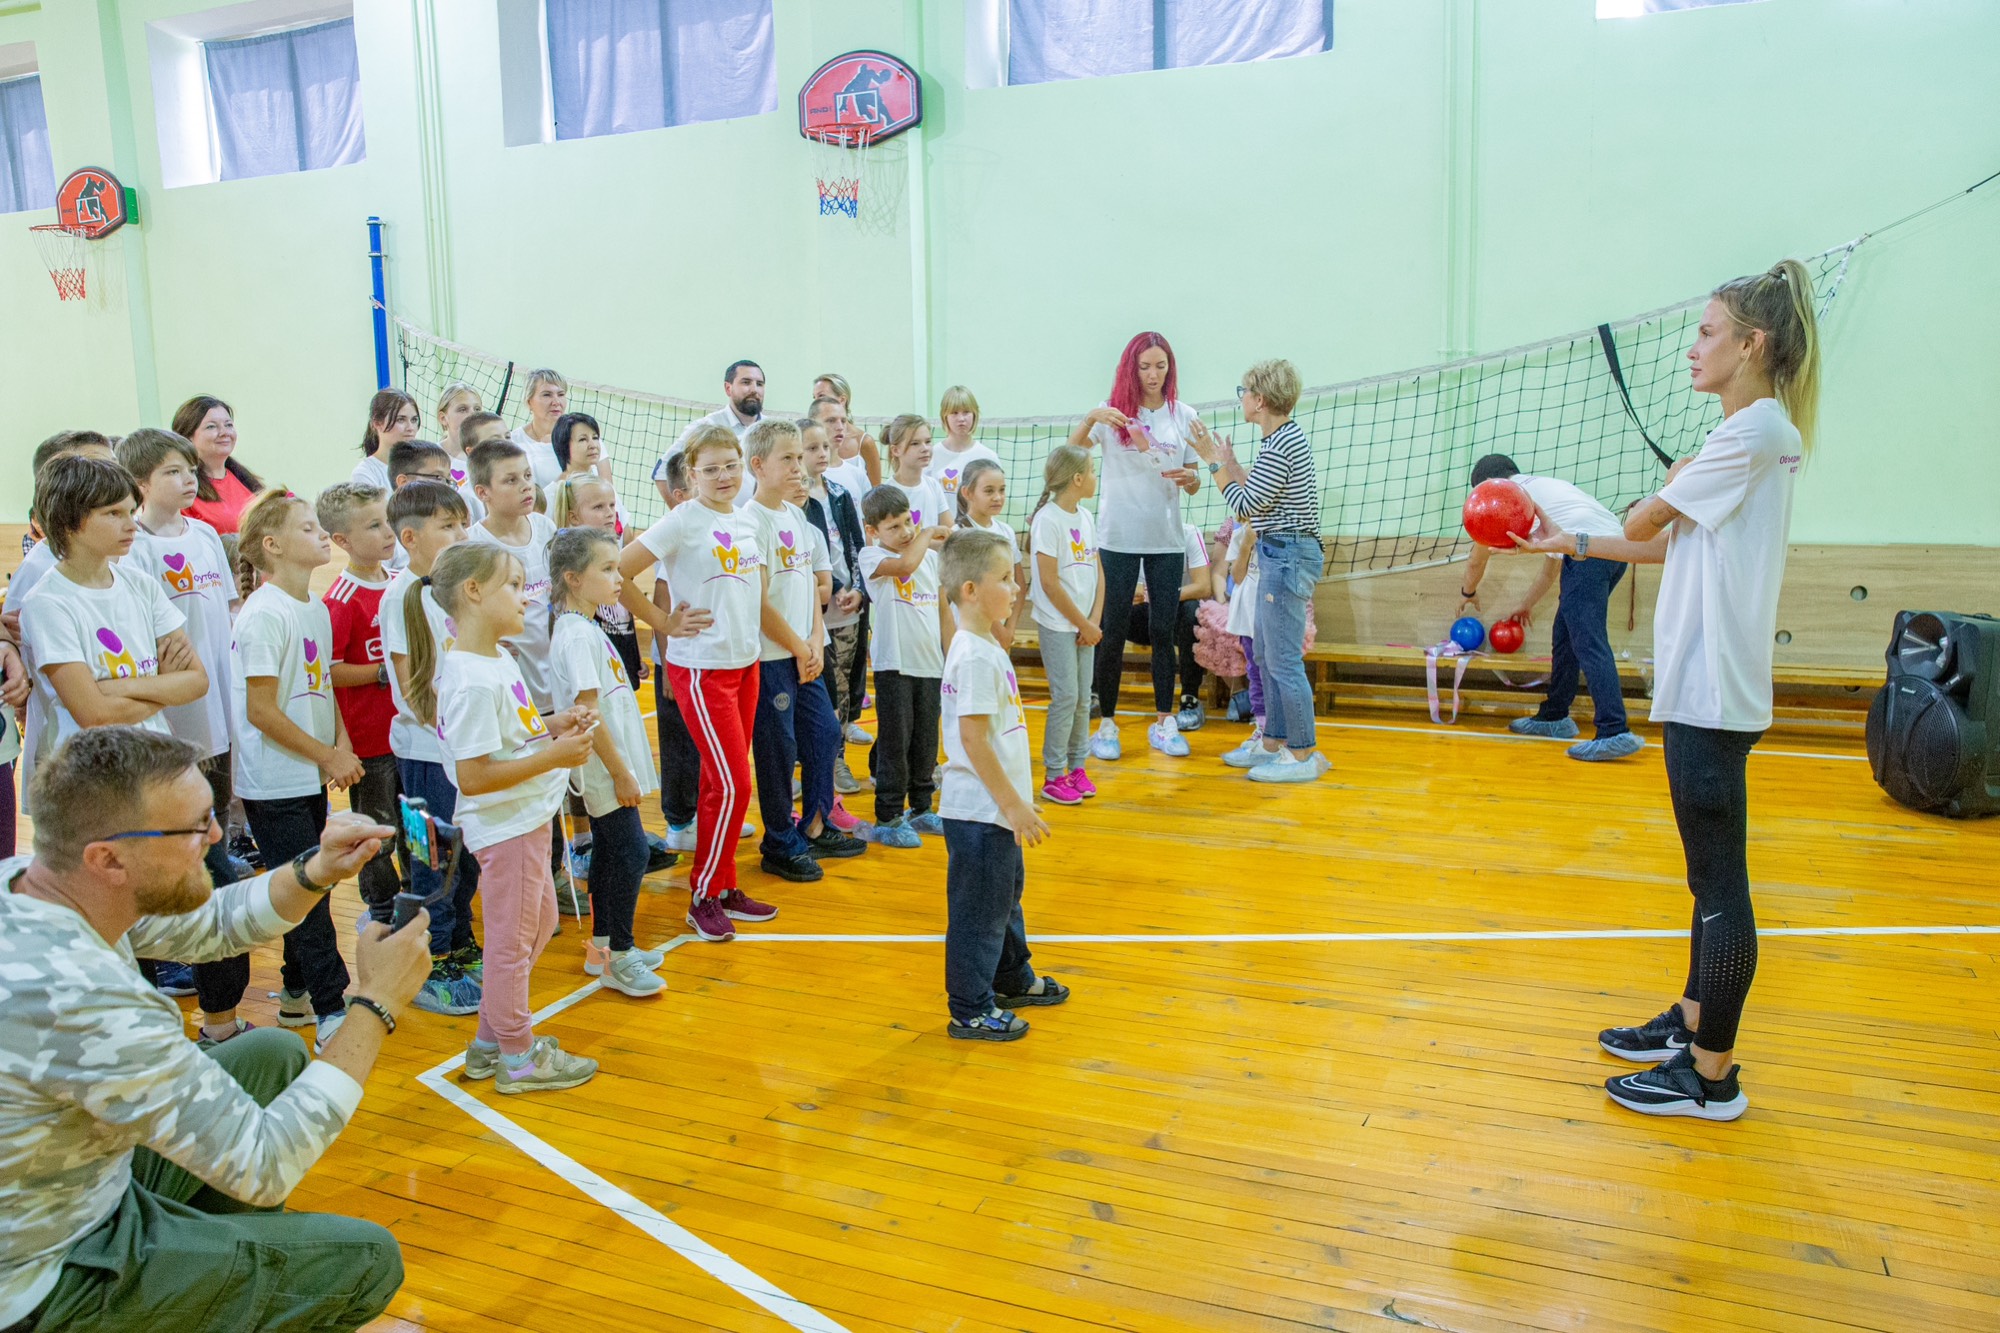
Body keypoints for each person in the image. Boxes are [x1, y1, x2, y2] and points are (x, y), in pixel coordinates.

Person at [1513, 260, 1819, 1120]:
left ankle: (1712, 1075)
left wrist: (1663, 485)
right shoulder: (1748, 436)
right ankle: (1691, 1022)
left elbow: (1649, 519)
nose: (1693, 349)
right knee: (1705, 877)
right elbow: (1656, 546)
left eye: (1707, 332)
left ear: (1752, 345)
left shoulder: (1750, 432)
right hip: (1702, 683)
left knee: (1722, 883)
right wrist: (1568, 540)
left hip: (1713, 689)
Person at [0, 726, 427, 1333]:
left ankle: (221, 1281)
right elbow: (266, 1160)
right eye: (195, 825)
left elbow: (210, 926)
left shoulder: (37, 881)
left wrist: (316, 869)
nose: (220, 834)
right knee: (366, 1260)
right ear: (108, 858)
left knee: (274, 1052)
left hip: (77, 1193)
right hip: (48, 1278)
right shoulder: (86, 999)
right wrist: (376, 1003)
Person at [398, 542, 597, 1092]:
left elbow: (515, 737)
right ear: (474, 592)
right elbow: (474, 775)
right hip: (506, 828)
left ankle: (488, 1043)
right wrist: (555, 756)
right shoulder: (468, 678)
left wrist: (555, 725)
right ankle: (519, 1057)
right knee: (510, 943)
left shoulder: (497, 659)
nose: (526, 597)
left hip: (528, 817)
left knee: (542, 925)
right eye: (513, 585)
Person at [115, 428, 250, 1045]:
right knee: (178, 842)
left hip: (216, 701)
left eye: (189, 469)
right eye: (172, 471)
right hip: (171, 717)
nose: (188, 478)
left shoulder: (203, 536)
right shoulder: (133, 547)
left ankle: (196, 959)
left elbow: (221, 615)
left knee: (212, 822)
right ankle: (172, 954)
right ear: (141, 483)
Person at [621, 425, 772, 943]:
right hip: (701, 670)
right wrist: (662, 625)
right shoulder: (681, 521)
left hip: (746, 665)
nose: (723, 476)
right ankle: (703, 895)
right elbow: (617, 573)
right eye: (711, 469)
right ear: (691, 474)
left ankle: (726, 883)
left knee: (719, 783)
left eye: (730, 465)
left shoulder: (748, 518)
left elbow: (755, 589)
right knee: (734, 784)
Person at [230, 489, 364, 1051]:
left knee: (307, 886)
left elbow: (321, 685)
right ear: (273, 545)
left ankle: (293, 994)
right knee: (309, 891)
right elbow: (261, 711)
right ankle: (332, 1007)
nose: (320, 536)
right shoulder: (264, 614)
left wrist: (341, 741)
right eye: (308, 529)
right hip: (274, 781)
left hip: (308, 774)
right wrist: (325, 753)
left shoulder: (311, 607)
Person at [16, 455, 209, 817]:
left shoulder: (141, 584)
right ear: (71, 521)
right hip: (91, 774)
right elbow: (95, 715)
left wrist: (114, 687)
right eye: (113, 514)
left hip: (152, 757)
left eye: (130, 511)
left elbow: (197, 682)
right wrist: (161, 685)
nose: (131, 524)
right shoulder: (48, 602)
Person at [937, 528, 1067, 1041]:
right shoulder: (971, 655)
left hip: (994, 811)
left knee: (1005, 896)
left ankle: (1012, 977)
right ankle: (969, 1007)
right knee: (979, 912)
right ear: (970, 590)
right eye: (1006, 579)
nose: (1017, 587)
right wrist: (1014, 806)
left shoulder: (984, 643)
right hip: (980, 811)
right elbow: (971, 740)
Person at [1190, 358, 1328, 785]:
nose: (1242, 399)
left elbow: (1247, 507)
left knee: (1284, 660)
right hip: (1278, 553)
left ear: (1260, 399)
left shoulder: (1282, 443)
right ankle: (1274, 741)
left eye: (1244, 392)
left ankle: (1303, 753)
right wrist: (1230, 464)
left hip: (1287, 556)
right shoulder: (1278, 441)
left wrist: (1214, 464)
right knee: (1267, 654)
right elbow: (1261, 495)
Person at [547, 527, 671, 997]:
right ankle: (620, 954)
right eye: (607, 569)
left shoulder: (584, 628)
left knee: (610, 850)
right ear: (573, 578)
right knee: (631, 852)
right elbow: (588, 714)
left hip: (607, 765)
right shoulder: (577, 636)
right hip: (602, 768)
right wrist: (620, 772)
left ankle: (601, 948)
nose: (619, 578)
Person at [378, 481, 486, 1014]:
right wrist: (452, 730)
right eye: (448, 526)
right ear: (411, 537)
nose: (462, 534)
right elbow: (414, 682)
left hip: (459, 750)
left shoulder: (452, 586)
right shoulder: (403, 594)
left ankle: (459, 942)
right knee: (432, 860)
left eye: (463, 523)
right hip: (426, 754)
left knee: (465, 858)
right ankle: (429, 958)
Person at [743, 420, 866, 881]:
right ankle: (779, 841)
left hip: (806, 651)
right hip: (772, 658)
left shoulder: (796, 515)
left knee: (825, 734)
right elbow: (757, 602)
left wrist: (816, 641)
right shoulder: (750, 522)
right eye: (789, 459)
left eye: (801, 458)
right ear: (759, 465)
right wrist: (796, 646)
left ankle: (814, 824)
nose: (800, 467)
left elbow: (815, 593)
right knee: (778, 750)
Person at [1460, 455, 1642, 761]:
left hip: (1589, 554)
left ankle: (1614, 730)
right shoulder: (1545, 490)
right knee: (1566, 635)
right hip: (1611, 550)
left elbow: (1477, 557)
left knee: (1588, 641)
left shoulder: (1503, 496)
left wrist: (1467, 591)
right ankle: (1554, 716)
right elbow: (1552, 565)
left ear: (1485, 486)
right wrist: (1526, 604)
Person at [317, 484, 406, 934]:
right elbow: (329, 671)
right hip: (370, 739)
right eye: (374, 525)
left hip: (406, 731)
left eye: (388, 520)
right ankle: (381, 910)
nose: (387, 532)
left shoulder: (396, 581)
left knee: (410, 823)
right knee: (378, 831)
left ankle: (412, 900)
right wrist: (381, 672)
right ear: (342, 541)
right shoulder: (341, 599)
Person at [856, 483, 951, 848]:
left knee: (926, 742)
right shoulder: (872, 557)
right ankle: (889, 816)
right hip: (894, 666)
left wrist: (951, 654)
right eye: (893, 527)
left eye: (907, 521)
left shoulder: (930, 557)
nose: (905, 531)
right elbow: (906, 563)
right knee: (897, 742)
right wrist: (927, 533)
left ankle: (922, 807)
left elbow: (943, 610)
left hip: (930, 665)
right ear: (874, 531)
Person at [1028, 446, 1104, 806]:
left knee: (1082, 699)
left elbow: (1098, 571)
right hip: (1059, 624)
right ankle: (1053, 774)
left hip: (1083, 625)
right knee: (1066, 697)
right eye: (1091, 471)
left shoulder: (1086, 516)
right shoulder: (1048, 519)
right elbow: (1049, 583)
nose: (1094, 477)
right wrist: (1081, 622)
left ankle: (1077, 767)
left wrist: (1094, 621)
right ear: (1077, 479)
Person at [801, 414, 870, 793]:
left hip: (846, 608)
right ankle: (810, 762)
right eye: (812, 448)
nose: (821, 453)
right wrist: (833, 586)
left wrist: (858, 589)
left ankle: (837, 759)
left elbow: (857, 548)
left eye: (824, 446)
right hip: (811, 613)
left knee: (842, 688)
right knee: (816, 691)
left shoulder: (841, 494)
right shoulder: (794, 502)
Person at [1125, 520, 1214, 734]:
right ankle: (1096, 695)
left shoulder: (1188, 533)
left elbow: (1203, 587)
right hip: (1145, 615)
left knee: (1192, 610)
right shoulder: (1130, 535)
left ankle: (1190, 700)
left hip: (1176, 615)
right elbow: (1125, 587)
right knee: (1107, 612)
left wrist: (1160, 595)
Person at [652, 360, 766, 502]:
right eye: (746, 382)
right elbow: (661, 472)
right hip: (719, 522)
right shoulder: (706, 427)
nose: (754, 389)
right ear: (728, 388)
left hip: (763, 521)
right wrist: (685, 516)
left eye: (759, 384)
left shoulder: (771, 430)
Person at [955, 457, 1027, 648]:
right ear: (967, 493)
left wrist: (1010, 629)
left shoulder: (1006, 531)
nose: (997, 497)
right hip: (970, 634)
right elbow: (972, 594)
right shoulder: (960, 534)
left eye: (1002, 490)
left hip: (1001, 635)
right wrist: (1000, 631)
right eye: (989, 491)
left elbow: (1019, 583)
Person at [173, 397, 264, 538]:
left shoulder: (244, 480)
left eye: (228, 425)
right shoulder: (182, 488)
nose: (224, 432)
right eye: (211, 426)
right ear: (187, 437)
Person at [926, 385, 1001, 506]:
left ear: (975, 414)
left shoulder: (988, 457)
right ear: (945, 416)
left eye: (966, 412)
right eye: (954, 413)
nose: (961, 418)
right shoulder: (930, 455)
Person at [509, 368, 578, 492]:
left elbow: (607, 487)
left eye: (561, 394)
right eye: (547, 395)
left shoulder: (584, 437)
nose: (556, 402)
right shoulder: (512, 442)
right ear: (529, 401)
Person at [884, 414, 952, 532]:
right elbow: (898, 543)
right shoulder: (888, 493)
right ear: (896, 450)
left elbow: (950, 531)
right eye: (915, 443)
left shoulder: (933, 485)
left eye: (928, 441)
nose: (925, 448)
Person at [435, 381, 483, 487]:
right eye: (462, 409)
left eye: (477, 409)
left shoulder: (486, 457)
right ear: (443, 418)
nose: (472, 415)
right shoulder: (431, 456)